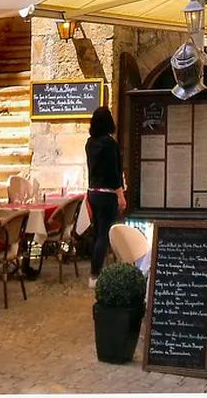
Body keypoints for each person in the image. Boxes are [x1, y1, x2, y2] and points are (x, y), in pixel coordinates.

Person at [85, 105, 126, 287]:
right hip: (108, 194)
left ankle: (96, 271)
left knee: (97, 235)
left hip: (93, 192)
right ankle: (95, 275)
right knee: (104, 235)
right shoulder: (110, 144)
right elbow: (113, 172)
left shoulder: (90, 143)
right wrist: (121, 194)